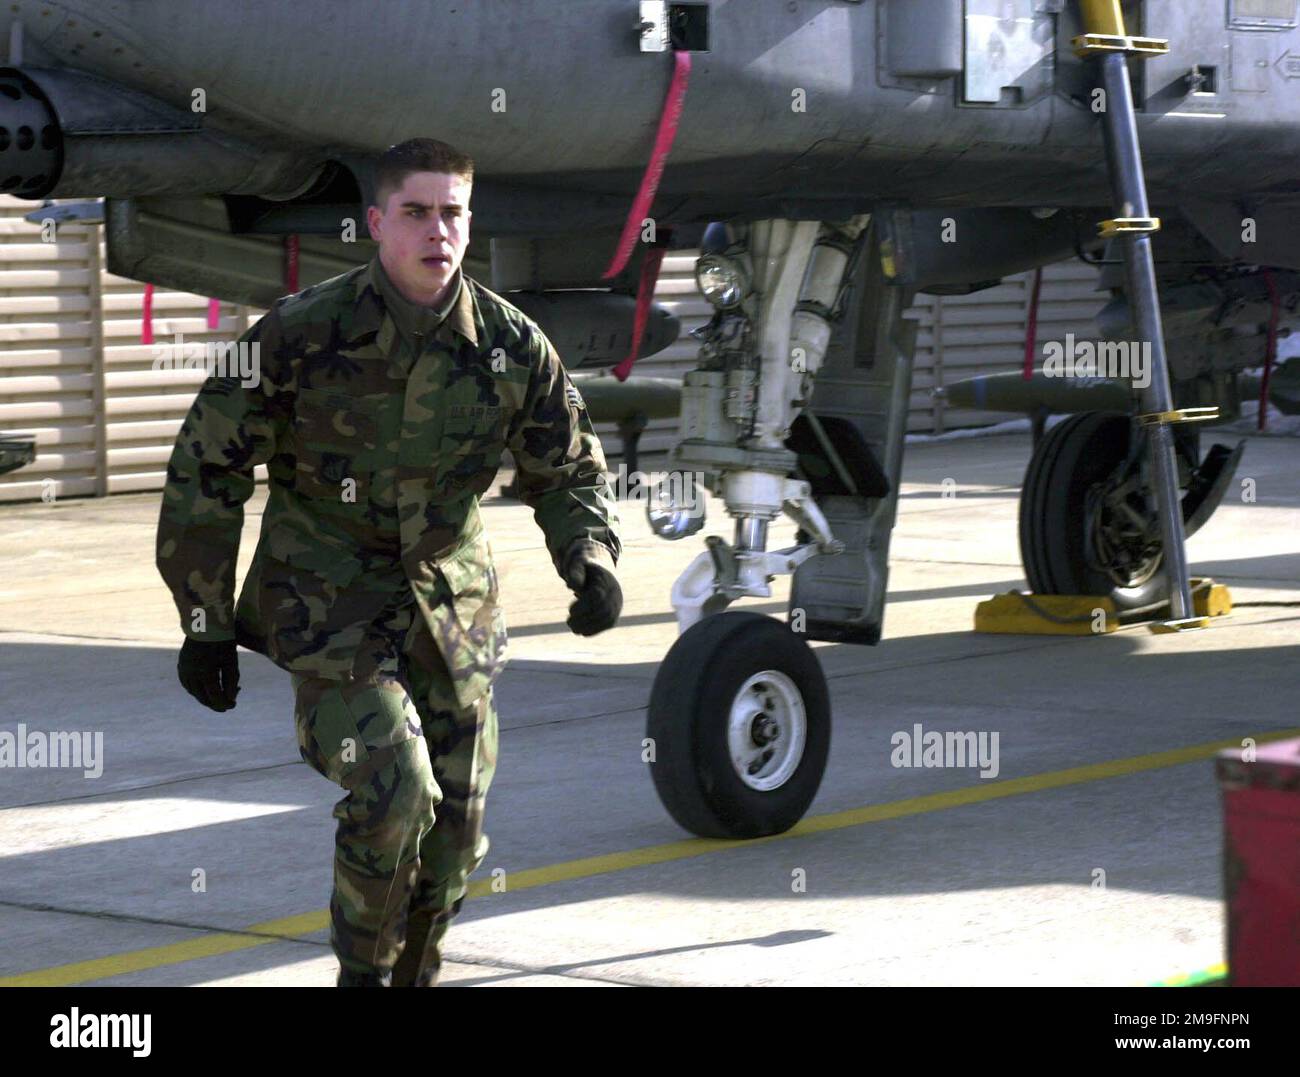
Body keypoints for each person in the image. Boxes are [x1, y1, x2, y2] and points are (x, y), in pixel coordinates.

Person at [156, 137, 623, 986]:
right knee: (394, 786)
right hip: (331, 614)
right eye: (416, 212)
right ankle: (362, 979)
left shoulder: (511, 345)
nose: (436, 231)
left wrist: (587, 554)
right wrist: (204, 619)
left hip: (454, 617)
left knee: (456, 838)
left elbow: (569, 465)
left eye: (452, 213)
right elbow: (207, 464)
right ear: (376, 223)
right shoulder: (301, 336)